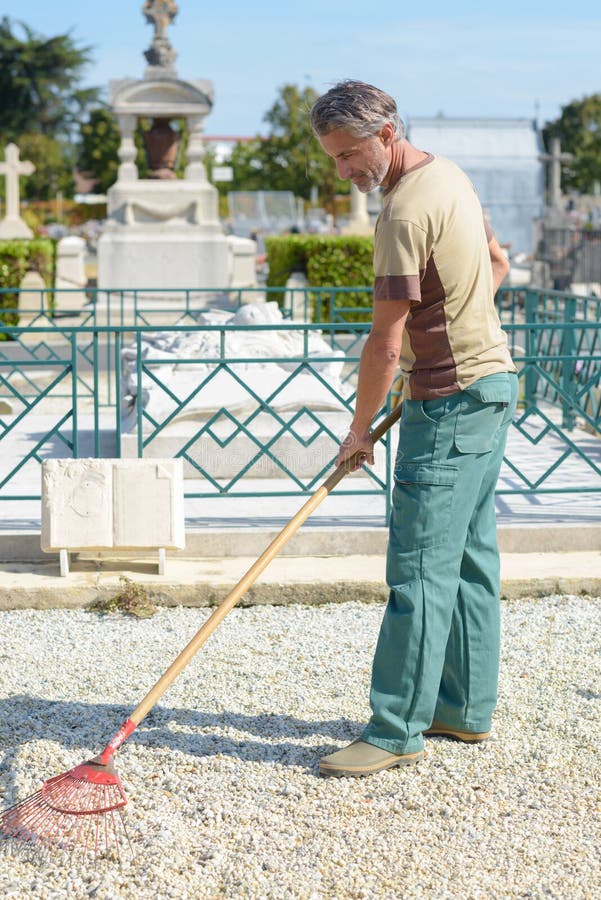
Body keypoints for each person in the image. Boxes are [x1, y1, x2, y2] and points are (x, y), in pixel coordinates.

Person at [309, 80, 518, 777]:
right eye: (334, 159)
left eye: (349, 154)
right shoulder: (449, 175)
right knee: (467, 560)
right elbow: (494, 264)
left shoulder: (400, 214)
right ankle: (462, 709)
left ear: (386, 132)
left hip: (450, 404)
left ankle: (396, 728)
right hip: (491, 389)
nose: (344, 171)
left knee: (417, 571)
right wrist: (454, 332)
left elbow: (383, 346)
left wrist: (356, 432)